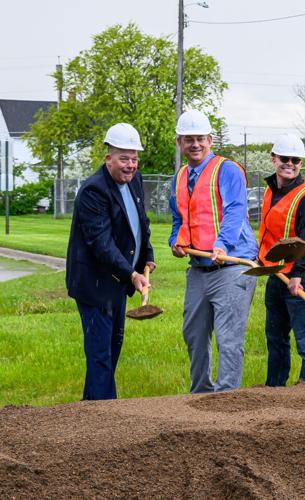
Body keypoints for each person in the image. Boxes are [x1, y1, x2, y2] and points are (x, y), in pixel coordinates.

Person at [168, 110, 257, 394]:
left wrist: (223, 244)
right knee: (193, 333)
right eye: (188, 140)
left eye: (200, 139)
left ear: (210, 140)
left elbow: (234, 211)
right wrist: (175, 241)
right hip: (198, 266)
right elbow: (178, 217)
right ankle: (202, 394)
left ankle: (227, 397)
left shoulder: (227, 170)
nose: (195, 144)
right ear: (180, 143)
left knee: (228, 338)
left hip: (232, 265)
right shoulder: (180, 176)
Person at [65, 123, 153, 400]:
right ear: (108, 159)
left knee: (112, 348)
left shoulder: (134, 181)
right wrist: (131, 274)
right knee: (100, 353)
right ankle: (105, 417)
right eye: (124, 159)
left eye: (134, 159)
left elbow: (141, 224)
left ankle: (92, 411)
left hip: (117, 282)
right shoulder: (94, 191)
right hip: (95, 284)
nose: (130, 165)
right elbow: (101, 243)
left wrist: (147, 258)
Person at [258, 134, 305, 386]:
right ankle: (274, 388)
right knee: (275, 337)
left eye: (295, 160)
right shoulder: (269, 190)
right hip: (276, 274)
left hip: (300, 278)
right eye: (284, 158)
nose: (290, 164)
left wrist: (298, 275)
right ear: (274, 160)